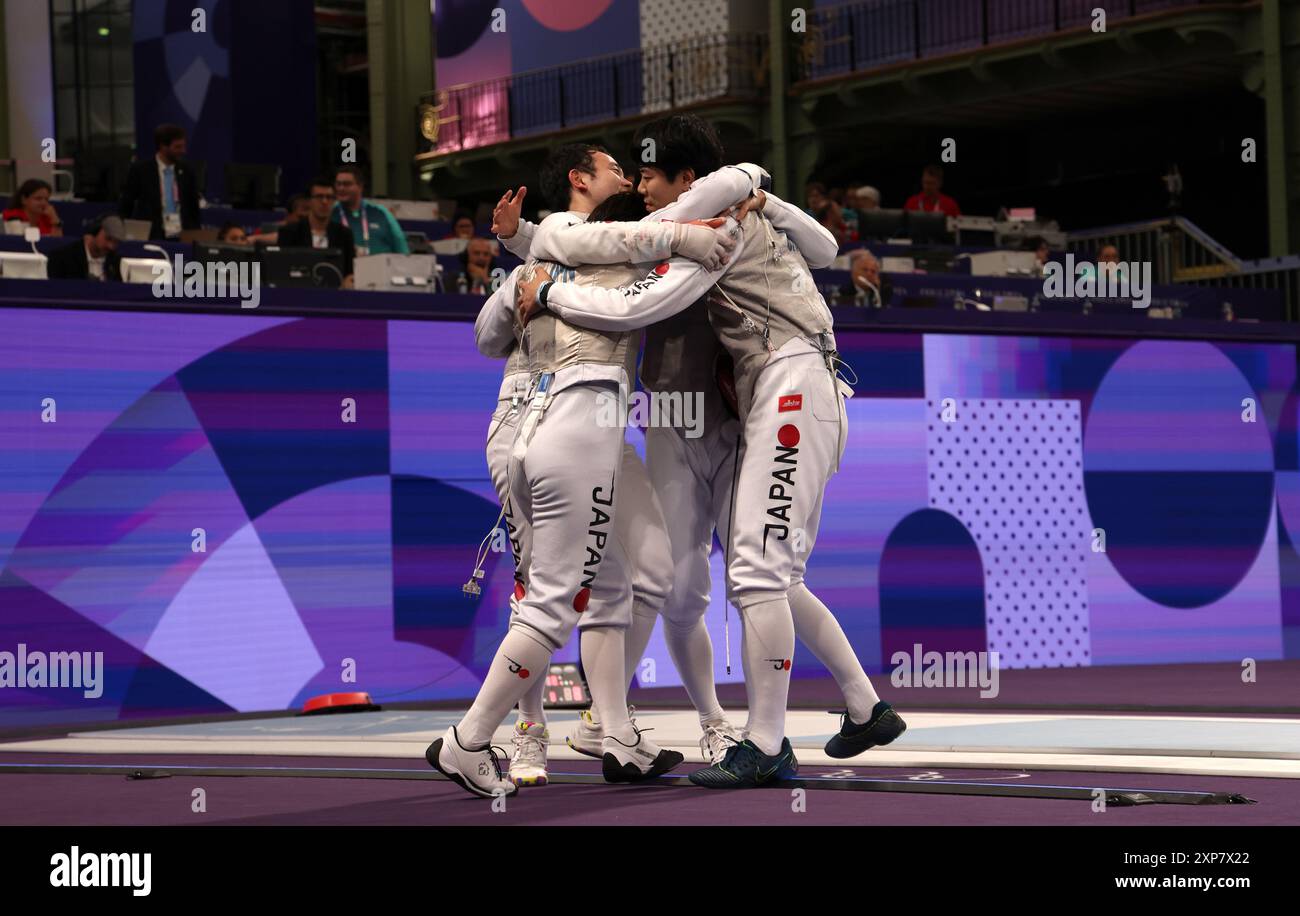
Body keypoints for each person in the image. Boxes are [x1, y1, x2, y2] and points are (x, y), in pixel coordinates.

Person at [517, 121, 905, 789]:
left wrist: (749, 183)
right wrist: (526, 242)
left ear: (686, 183)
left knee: (752, 576)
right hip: (731, 407)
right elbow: (823, 242)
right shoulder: (696, 222)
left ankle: (761, 741)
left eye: (651, 177)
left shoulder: (709, 227)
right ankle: (859, 707)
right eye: (631, 176)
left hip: (776, 396)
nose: (641, 189)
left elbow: (641, 296)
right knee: (732, 579)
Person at [430, 172, 732, 798]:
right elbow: (619, 285)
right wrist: (706, 232)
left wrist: (529, 272)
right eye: (619, 172)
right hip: (564, 420)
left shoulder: (560, 253)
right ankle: (489, 735)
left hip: (555, 425)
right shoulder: (579, 235)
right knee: (549, 599)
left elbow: (496, 329)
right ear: (582, 184)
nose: (630, 179)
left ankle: (614, 731)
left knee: (620, 578)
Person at [118, 123, 201, 240]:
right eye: (177, 147)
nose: (183, 151)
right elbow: (126, 203)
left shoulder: (187, 171)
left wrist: (194, 236)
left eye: (183, 146)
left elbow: (193, 208)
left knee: (179, 259)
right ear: (163, 146)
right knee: (156, 258)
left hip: (181, 237)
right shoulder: (141, 170)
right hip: (152, 236)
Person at [277, 178, 356, 281]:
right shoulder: (290, 232)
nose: (324, 202)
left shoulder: (344, 234)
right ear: (309, 201)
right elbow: (281, 270)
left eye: (329, 197)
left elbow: (350, 272)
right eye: (319, 197)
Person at [331, 165, 409, 256]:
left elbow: (402, 248)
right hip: (345, 268)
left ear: (360, 186)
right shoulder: (330, 212)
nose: (341, 188)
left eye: (347, 184)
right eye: (338, 184)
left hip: (381, 269)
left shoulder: (381, 212)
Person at [46, 214, 124, 281]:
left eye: (116, 242)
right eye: (108, 239)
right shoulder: (62, 258)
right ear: (94, 232)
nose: (111, 246)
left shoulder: (116, 262)